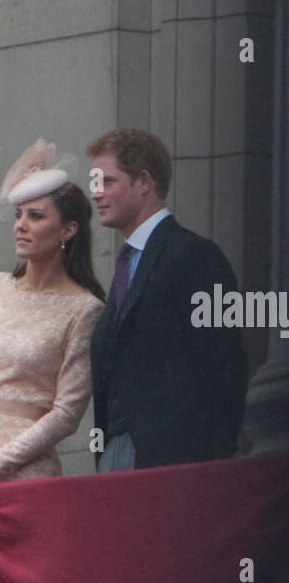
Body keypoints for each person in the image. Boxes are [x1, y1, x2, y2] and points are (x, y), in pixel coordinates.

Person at [0, 141, 105, 489]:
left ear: (68, 230)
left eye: (36, 216)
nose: (21, 225)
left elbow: (67, 413)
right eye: (18, 215)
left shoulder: (84, 308)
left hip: (27, 475)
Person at [87, 128, 248, 470]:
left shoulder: (194, 255)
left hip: (179, 461)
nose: (95, 193)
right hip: (116, 454)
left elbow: (225, 362)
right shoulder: (126, 264)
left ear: (143, 182)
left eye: (107, 181)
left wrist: (215, 463)